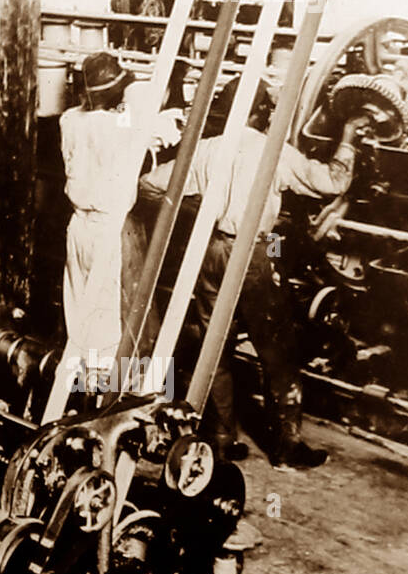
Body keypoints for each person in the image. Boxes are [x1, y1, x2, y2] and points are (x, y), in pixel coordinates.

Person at [140, 82, 372, 469]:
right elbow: (331, 183)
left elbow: (150, 185)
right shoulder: (272, 150)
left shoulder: (208, 148)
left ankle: (220, 437)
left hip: (211, 252)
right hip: (253, 255)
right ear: (263, 113)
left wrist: (202, 211)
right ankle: (286, 447)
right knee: (278, 349)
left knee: (214, 346)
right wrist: (347, 136)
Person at [52, 51, 182, 416]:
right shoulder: (118, 127)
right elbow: (153, 125)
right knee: (113, 317)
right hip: (109, 229)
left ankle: (78, 396)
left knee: (81, 313)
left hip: (78, 228)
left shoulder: (69, 120)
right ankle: (111, 406)